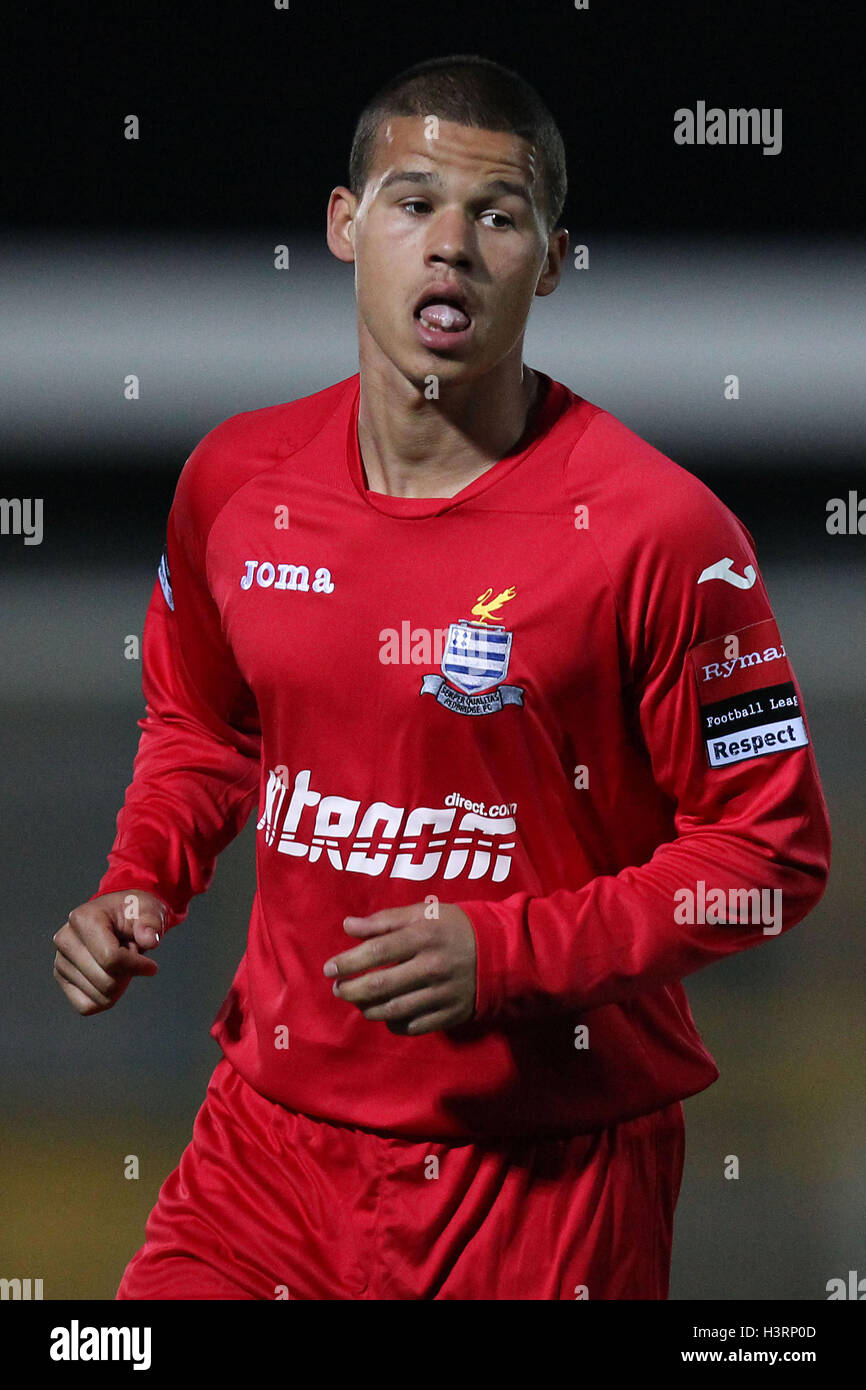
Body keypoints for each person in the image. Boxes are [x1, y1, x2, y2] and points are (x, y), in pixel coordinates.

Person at [53, 53, 830, 1301]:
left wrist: (511, 956)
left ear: (554, 258)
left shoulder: (664, 536)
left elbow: (771, 861)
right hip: (266, 1152)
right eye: (413, 203)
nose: (450, 245)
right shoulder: (234, 486)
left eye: (497, 214)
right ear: (343, 225)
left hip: (543, 1183)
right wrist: (142, 878)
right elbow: (201, 721)